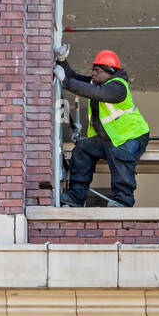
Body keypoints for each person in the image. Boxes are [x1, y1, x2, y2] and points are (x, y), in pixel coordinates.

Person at [54, 46, 150, 207]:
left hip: (131, 136)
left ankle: (123, 202)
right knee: (82, 148)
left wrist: (65, 81)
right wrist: (62, 62)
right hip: (111, 137)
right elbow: (75, 79)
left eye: (97, 70)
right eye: (93, 70)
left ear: (110, 71)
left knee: (120, 153)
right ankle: (76, 197)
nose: (93, 74)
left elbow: (93, 91)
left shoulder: (118, 87)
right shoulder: (98, 84)